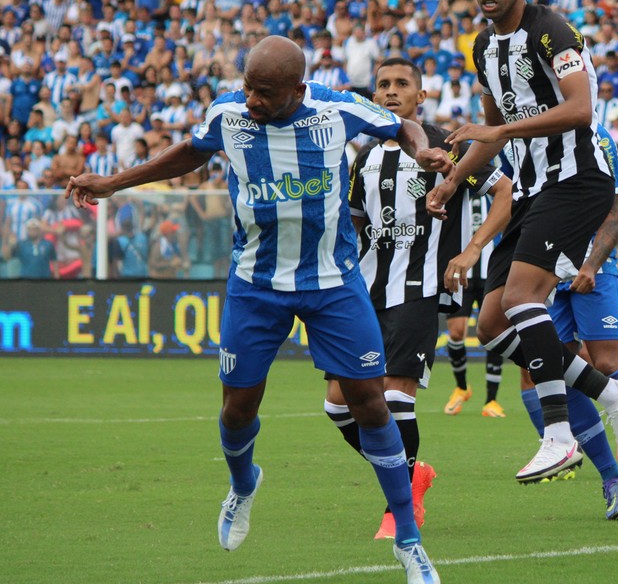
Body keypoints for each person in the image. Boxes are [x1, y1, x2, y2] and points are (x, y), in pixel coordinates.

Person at [65, 37, 442, 584]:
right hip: (256, 285)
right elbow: (191, 151)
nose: (251, 100)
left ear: (297, 89)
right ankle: (243, 485)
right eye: (248, 87)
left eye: (264, 92)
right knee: (237, 410)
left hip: (332, 283)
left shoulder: (335, 109)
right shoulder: (230, 114)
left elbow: (401, 126)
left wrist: (421, 149)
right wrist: (113, 183)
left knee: (370, 404)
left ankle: (408, 540)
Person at [424, 0, 618, 483]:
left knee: (522, 298)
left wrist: (496, 129)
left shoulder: (552, 31)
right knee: (493, 324)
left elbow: (580, 109)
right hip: (530, 189)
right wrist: (452, 180)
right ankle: (612, 395)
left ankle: (560, 437)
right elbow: (493, 133)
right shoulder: (483, 47)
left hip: (576, 178)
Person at [323, 56, 514, 540]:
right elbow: (356, 225)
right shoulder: (365, 157)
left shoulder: (449, 146)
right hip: (364, 292)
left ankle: (400, 507)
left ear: (421, 95)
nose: (391, 91)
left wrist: (472, 250)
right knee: (338, 406)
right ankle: (411, 472)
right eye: (383, 84)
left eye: (402, 84)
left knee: (393, 395)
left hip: (419, 287)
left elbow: (505, 193)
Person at [518, 123, 618, 519]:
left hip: (591, 268)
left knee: (608, 364)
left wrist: (592, 264)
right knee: (554, 367)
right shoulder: (525, 134)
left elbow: (615, 214)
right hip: (544, 268)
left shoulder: (596, 136)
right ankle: (612, 478)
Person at [442, 195, 509, 419]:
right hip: (462, 273)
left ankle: (491, 400)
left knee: (494, 332)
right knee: (456, 332)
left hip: (492, 272)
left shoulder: (497, 190)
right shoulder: (458, 192)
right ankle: (461, 387)